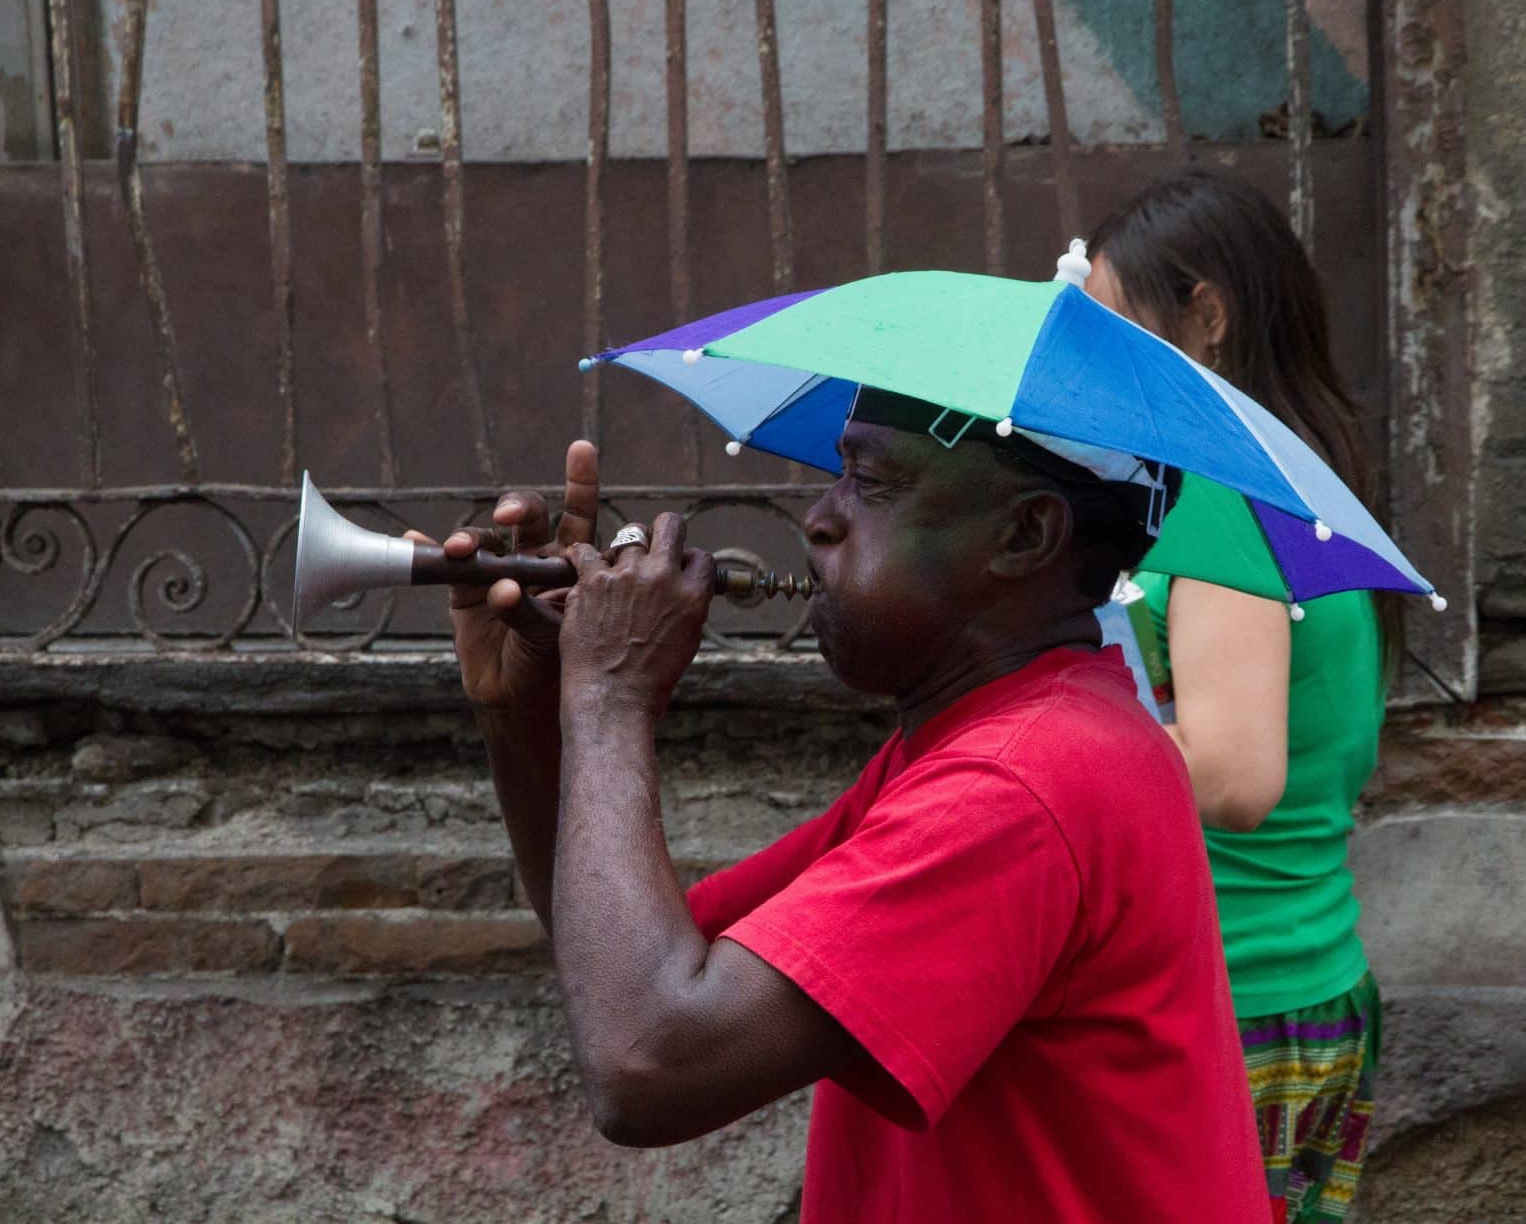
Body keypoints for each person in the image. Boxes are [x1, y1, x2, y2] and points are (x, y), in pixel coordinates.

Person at [409, 385, 1267, 1223]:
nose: (821, 516)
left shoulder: (1022, 781)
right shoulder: (992, 738)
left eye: (874, 483)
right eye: (838, 473)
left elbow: (645, 1062)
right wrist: (524, 711)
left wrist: (609, 698)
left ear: (1025, 534)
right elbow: (617, 957)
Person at [1079, 170, 1396, 1224]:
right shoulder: (1303, 479)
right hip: (1298, 981)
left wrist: (1047, 743)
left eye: (1118, 332)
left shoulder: (1224, 500)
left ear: (1205, 315)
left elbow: (1234, 770)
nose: (1100, 367)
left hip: (1231, 994)